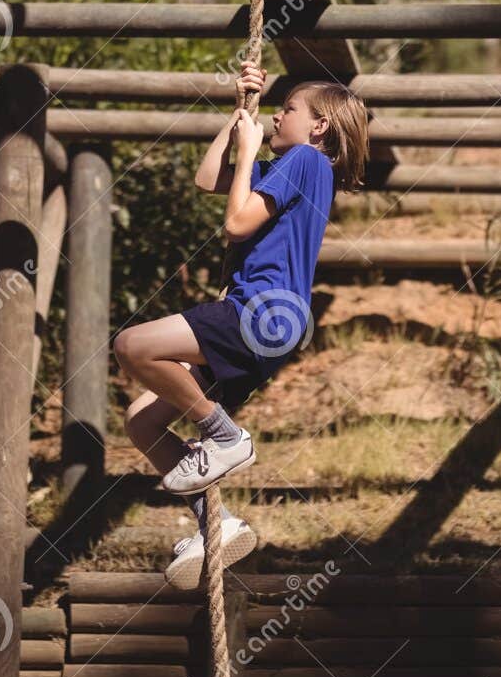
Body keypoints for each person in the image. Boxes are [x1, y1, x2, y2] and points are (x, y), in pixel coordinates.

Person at [114, 62, 369, 588]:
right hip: (269, 325)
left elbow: (234, 225)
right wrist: (236, 122)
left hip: (261, 311)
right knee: (142, 421)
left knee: (132, 346)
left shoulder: (304, 159)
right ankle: (217, 525)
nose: (278, 114)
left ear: (319, 127)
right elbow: (208, 179)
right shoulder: (292, 169)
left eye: (290, 108)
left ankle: (224, 436)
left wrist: (251, 147)